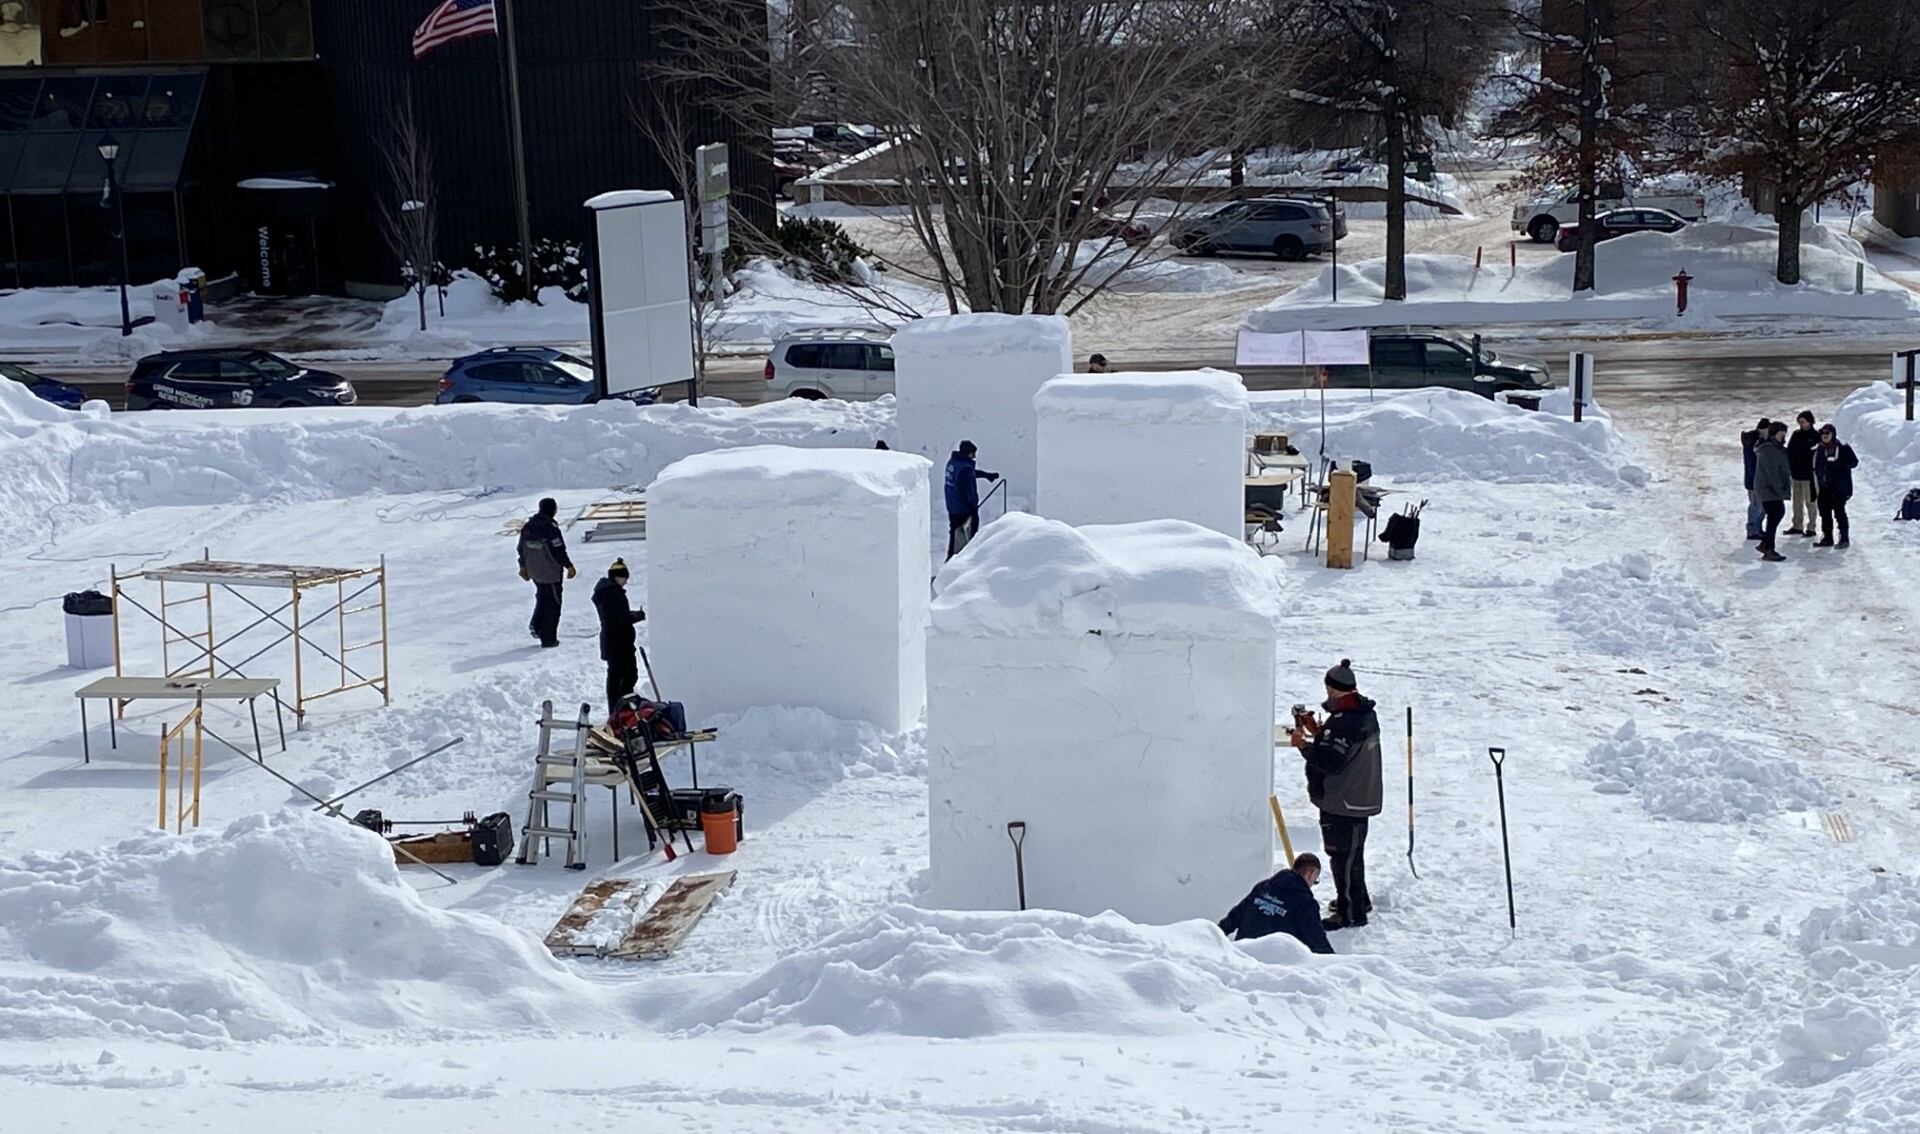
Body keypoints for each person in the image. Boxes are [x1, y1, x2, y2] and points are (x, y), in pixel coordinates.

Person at [1289, 659, 1382, 930]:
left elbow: (1330, 761)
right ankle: (1357, 901)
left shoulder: (1344, 721)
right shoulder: (1363, 712)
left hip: (1342, 800)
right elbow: (1343, 747)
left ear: (1331, 689)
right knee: (1353, 855)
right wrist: (1320, 733)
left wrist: (1303, 745)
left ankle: (1350, 913)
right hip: (1358, 798)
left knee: (1342, 857)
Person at [1218, 853, 1334, 954]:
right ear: (1310, 874)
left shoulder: (1263, 887)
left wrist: (1217, 933)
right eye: (1315, 880)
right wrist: (1333, 961)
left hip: (1244, 951)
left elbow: (1236, 914)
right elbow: (1316, 937)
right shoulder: (1305, 902)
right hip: (1275, 960)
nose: (1312, 884)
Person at [517, 497, 575, 648]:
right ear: (553, 510)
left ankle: (537, 626)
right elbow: (558, 550)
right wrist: (569, 566)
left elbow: (521, 548)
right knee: (553, 604)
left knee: (543, 596)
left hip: (534, 571)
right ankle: (548, 638)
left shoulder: (529, 526)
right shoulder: (550, 528)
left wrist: (523, 566)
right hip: (550, 572)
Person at [591, 558, 647, 716]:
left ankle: (616, 711)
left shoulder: (605, 592)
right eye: (624, 578)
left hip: (612, 641)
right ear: (617, 577)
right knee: (627, 676)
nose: (626, 582)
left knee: (615, 676)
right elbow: (622, 618)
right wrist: (638, 615)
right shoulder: (613, 594)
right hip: (620, 642)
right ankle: (623, 710)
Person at [944, 440, 998, 559]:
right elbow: (963, 490)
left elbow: (969, 474)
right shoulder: (965, 468)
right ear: (968, 453)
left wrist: (986, 475)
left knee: (955, 533)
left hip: (952, 505)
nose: (974, 457)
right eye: (973, 453)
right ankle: (968, 559)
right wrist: (971, 507)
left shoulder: (954, 463)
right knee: (967, 535)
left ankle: (950, 558)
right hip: (962, 508)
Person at [1813, 423, 1859, 549]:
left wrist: (1840, 465)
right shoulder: (1819, 449)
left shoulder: (1842, 447)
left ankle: (1844, 538)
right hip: (1824, 487)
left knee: (1839, 513)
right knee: (1824, 513)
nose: (1824, 436)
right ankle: (1827, 537)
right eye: (1822, 433)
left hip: (1840, 487)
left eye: (1827, 433)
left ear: (1833, 434)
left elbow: (1854, 462)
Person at [1753, 422, 1792, 562]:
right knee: (1776, 514)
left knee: (1775, 514)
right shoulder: (1769, 450)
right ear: (1775, 433)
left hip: (1770, 488)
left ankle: (1766, 544)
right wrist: (1780, 488)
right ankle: (1768, 548)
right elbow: (1772, 472)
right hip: (1768, 488)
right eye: (1782, 433)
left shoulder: (1776, 448)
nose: (1784, 436)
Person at [1785, 411, 1820, 537]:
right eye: (1799, 422)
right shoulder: (1796, 434)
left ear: (1810, 421)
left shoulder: (1816, 436)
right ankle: (1797, 525)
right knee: (1797, 502)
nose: (1801, 424)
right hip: (1796, 474)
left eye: (1803, 421)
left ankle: (1811, 527)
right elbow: (1789, 451)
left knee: (1811, 502)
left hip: (1809, 475)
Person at [1739, 418, 1771, 542]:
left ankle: (1757, 529)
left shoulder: (1755, 441)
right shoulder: (1754, 443)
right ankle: (1753, 530)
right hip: (1755, 480)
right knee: (1757, 506)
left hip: (1758, 479)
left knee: (1761, 507)